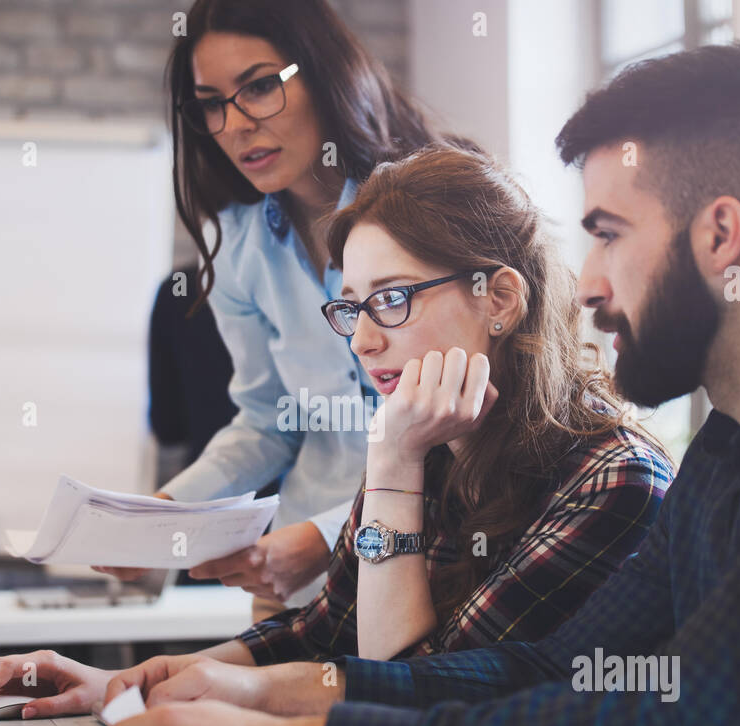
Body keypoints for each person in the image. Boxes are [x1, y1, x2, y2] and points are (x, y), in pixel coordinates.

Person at [93, 36, 740, 726]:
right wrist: (271, 690)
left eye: (608, 233)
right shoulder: (731, 446)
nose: (587, 283)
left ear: (721, 233)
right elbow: (553, 669)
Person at [0, 144, 672, 706]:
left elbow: (414, 694)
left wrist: (392, 465)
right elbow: (323, 631)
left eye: (391, 300)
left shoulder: (612, 479)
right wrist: (127, 684)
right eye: (351, 307)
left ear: (500, 299)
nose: (362, 342)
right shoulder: (431, 446)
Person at [98, 0, 471, 617]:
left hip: (433, 559)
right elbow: (269, 422)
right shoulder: (241, 247)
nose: (236, 123)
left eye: (261, 87)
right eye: (211, 103)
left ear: (326, 74)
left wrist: (329, 537)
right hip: (300, 587)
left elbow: (465, 419)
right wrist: (166, 512)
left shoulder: (427, 211)